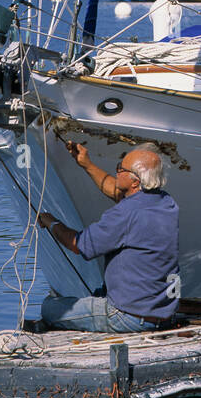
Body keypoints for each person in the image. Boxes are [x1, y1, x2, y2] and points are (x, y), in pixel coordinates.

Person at [35, 143, 180, 333]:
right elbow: (117, 191)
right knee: (91, 294)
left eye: (121, 169)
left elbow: (78, 244)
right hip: (165, 314)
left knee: (50, 307)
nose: (117, 171)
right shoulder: (165, 202)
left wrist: (51, 222)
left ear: (135, 181)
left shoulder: (125, 213)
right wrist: (87, 164)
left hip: (129, 317)